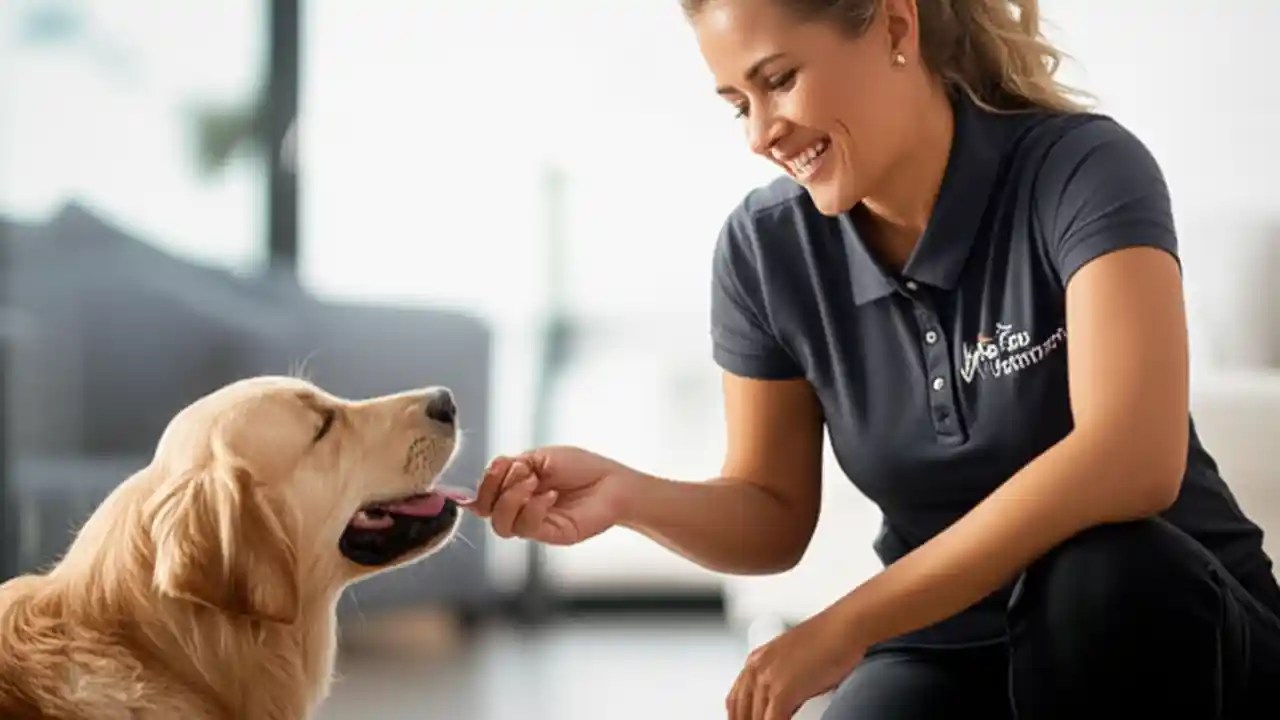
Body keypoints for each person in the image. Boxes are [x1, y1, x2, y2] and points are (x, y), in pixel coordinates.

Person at [468, 0, 1280, 718]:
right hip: (945, 646)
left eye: (779, 79)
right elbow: (771, 511)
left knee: (1099, 576)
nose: (759, 134)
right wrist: (626, 495)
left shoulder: (1081, 169)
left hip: (1172, 639)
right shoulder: (765, 251)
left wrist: (849, 621)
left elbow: (1131, 458)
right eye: (736, 103)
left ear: (896, 24)